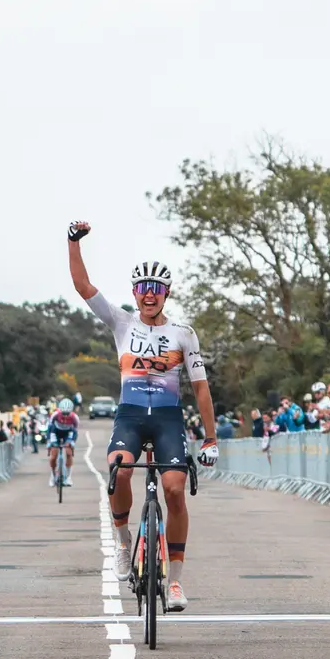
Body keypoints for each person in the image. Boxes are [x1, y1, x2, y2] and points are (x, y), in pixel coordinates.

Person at [67, 221, 217, 615]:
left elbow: (201, 388)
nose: (149, 295)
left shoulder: (184, 334)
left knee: (173, 490)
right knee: (118, 469)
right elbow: (83, 287)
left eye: (157, 289)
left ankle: (177, 581)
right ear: (135, 293)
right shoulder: (122, 322)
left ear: (166, 294)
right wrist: (73, 242)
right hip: (131, 416)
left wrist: (211, 439)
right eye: (143, 288)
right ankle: (122, 543)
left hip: (168, 418)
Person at [46, 396, 79, 485]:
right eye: (63, 413)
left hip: (68, 433)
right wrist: (49, 441)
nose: (65, 416)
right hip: (55, 432)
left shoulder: (74, 417)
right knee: (53, 456)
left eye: (67, 413)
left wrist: (72, 442)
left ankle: (68, 477)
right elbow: (49, 428)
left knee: (69, 453)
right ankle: (53, 476)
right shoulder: (55, 414)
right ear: (60, 410)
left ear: (71, 411)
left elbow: (75, 431)